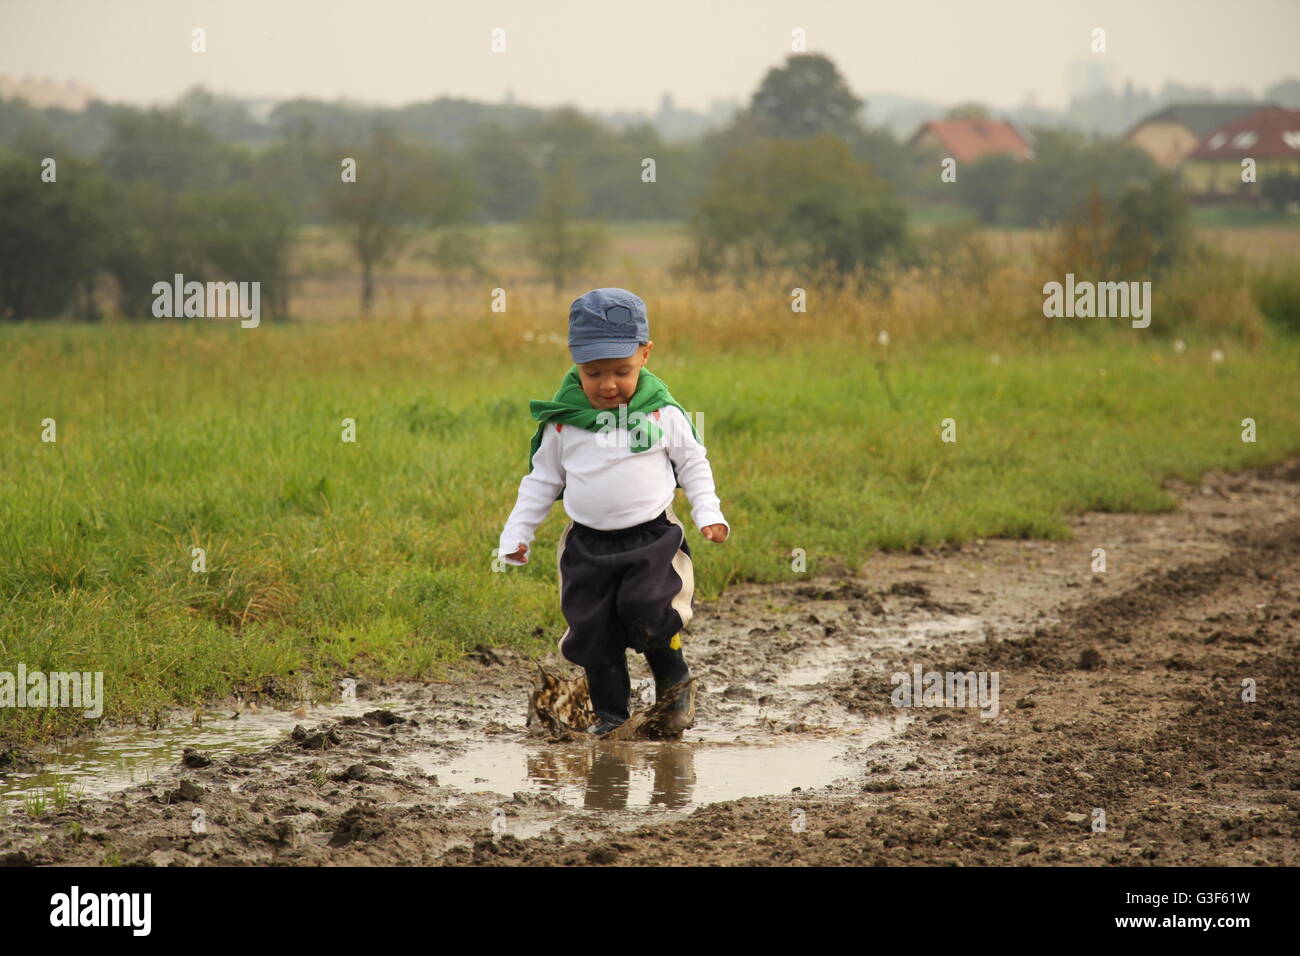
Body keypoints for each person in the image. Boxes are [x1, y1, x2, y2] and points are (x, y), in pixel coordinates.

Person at [496, 288, 730, 736]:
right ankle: (611, 718)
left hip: (652, 538)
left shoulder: (664, 415)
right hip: (587, 546)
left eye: (621, 371)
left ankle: (674, 682)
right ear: (574, 362)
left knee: (651, 611)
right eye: (593, 372)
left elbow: (693, 463)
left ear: (646, 354)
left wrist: (708, 513)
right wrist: (517, 532)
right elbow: (542, 481)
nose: (607, 385)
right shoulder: (562, 421)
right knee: (593, 633)